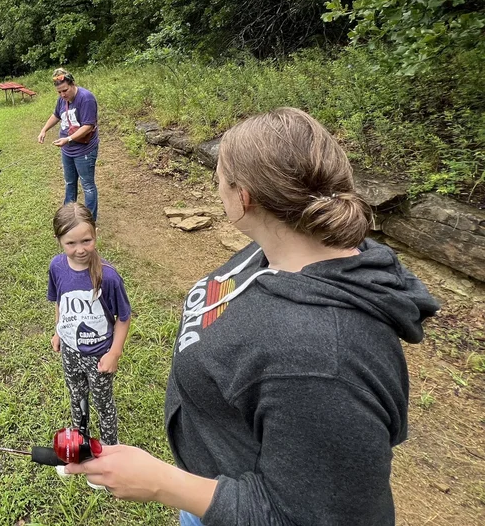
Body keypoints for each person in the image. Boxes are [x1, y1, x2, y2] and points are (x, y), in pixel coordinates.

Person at [65, 107, 439, 526]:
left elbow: (308, 515)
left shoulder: (324, 361)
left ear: (244, 197)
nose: (217, 187)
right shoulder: (282, 247)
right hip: (215, 476)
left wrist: (160, 483)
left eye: (219, 178)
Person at [49, 202, 131, 454]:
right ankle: (79, 444)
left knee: (103, 403)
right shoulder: (57, 267)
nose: (80, 249)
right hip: (71, 352)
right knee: (76, 396)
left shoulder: (109, 276)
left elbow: (124, 317)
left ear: (95, 234)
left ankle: (109, 452)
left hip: (99, 355)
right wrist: (58, 331)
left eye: (86, 240)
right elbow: (60, 302)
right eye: (70, 243)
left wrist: (114, 353)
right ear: (59, 241)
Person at [37, 69, 100, 220]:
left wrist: (68, 139)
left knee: (88, 186)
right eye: (59, 92)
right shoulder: (62, 99)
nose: (63, 95)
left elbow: (88, 126)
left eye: (65, 90)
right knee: (70, 182)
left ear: (73, 84)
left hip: (84, 149)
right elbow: (56, 115)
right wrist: (44, 130)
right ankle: (68, 218)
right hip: (68, 150)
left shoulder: (86, 98)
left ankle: (89, 221)